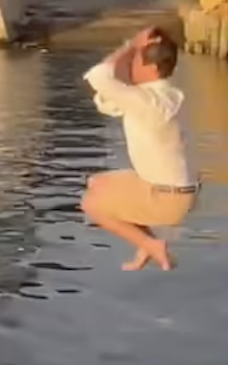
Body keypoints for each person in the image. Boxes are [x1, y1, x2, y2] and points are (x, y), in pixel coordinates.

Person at [81, 26, 198, 271]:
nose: (130, 67)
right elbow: (107, 102)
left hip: (167, 197)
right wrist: (134, 52)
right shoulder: (165, 96)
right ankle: (147, 243)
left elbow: (98, 76)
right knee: (97, 183)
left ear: (152, 69)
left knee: (91, 204)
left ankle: (151, 244)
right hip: (170, 188)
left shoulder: (148, 102)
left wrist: (132, 43)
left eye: (135, 62)